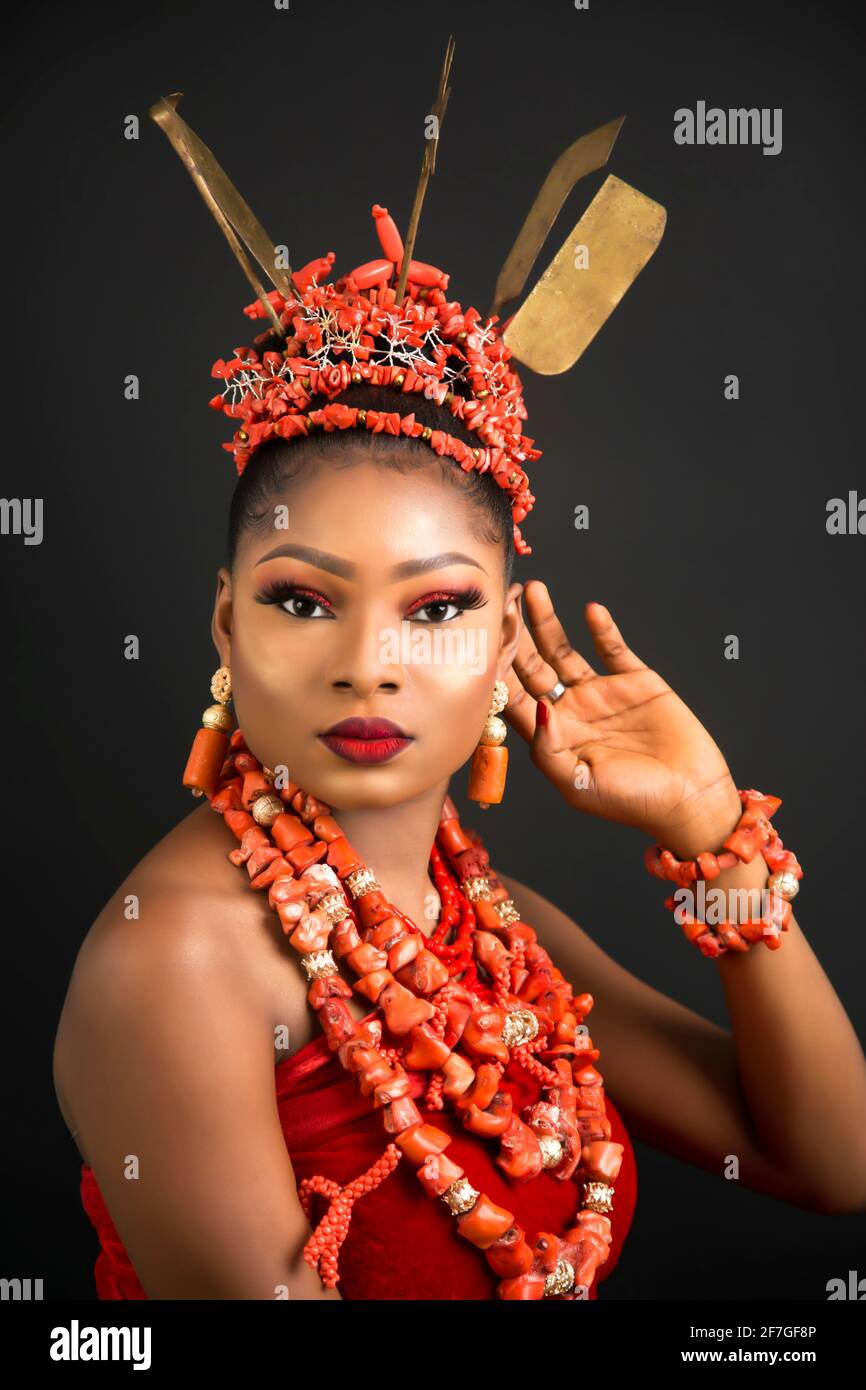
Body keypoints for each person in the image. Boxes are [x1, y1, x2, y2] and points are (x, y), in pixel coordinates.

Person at [52, 89, 866, 1302]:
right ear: (225, 621)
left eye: (434, 609)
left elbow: (821, 1161)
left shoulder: (484, 926)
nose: (368, 662)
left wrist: (712, 832)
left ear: (499, 641)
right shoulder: (177, 958)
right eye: (301, 599)